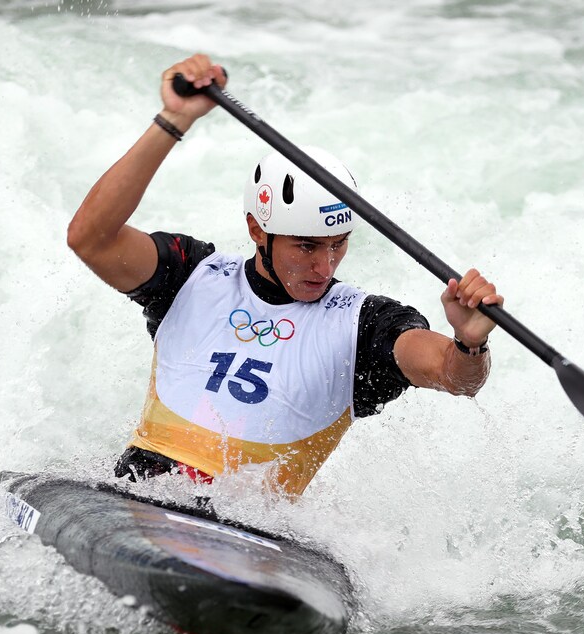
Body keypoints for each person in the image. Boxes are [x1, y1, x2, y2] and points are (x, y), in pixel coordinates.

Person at [67, 54, 503, 496]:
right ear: (258, 229)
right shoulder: (189, 275)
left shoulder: (364, 324)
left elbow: (453, 376)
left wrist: (470, 342)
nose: (325, 265)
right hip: (132, 497)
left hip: (250, 532)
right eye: (306, 246)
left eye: (338, 244)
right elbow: (90, 238)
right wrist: (173, 119)